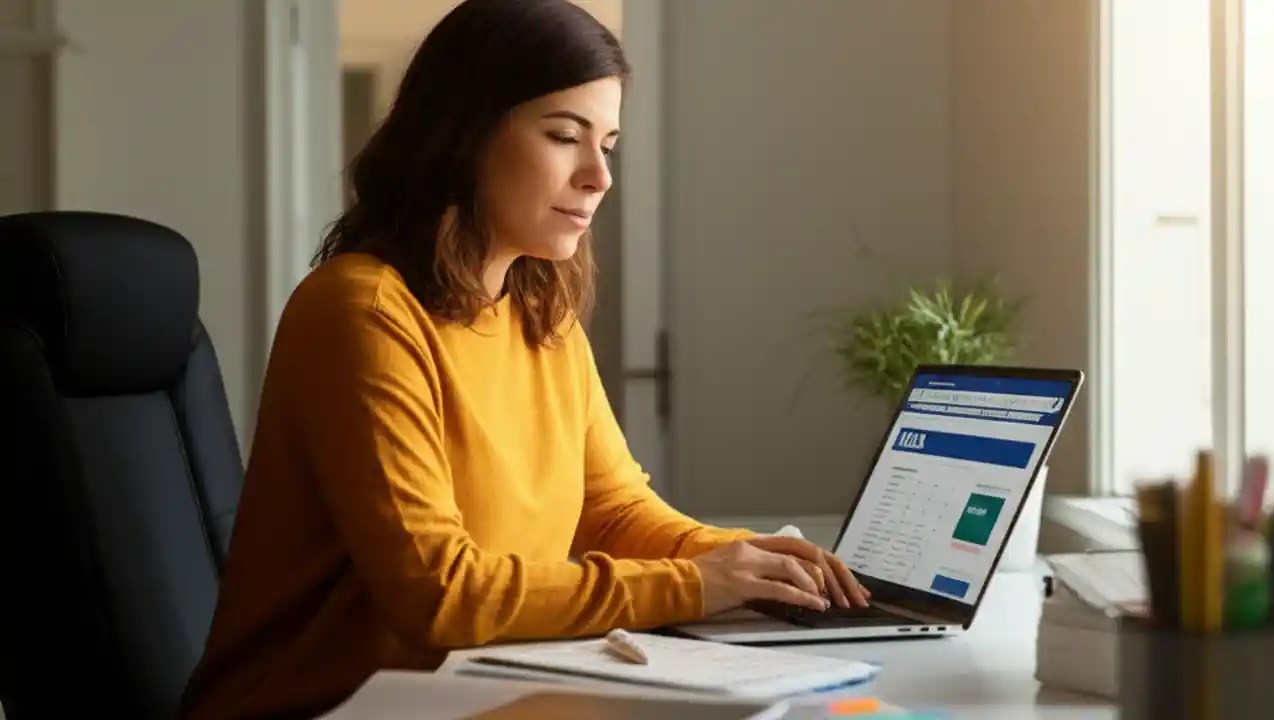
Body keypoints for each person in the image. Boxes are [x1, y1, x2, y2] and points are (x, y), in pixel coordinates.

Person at [179, 1, 869, 717]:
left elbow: (612, 511)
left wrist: (754, 562)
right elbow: (440, 595)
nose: (598, 175)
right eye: (565, 136)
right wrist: (700, 584)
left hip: (470, 694)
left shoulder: (540, 310)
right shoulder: (363, 312)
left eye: (609, 143)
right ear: (464, 135)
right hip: (324, 706)